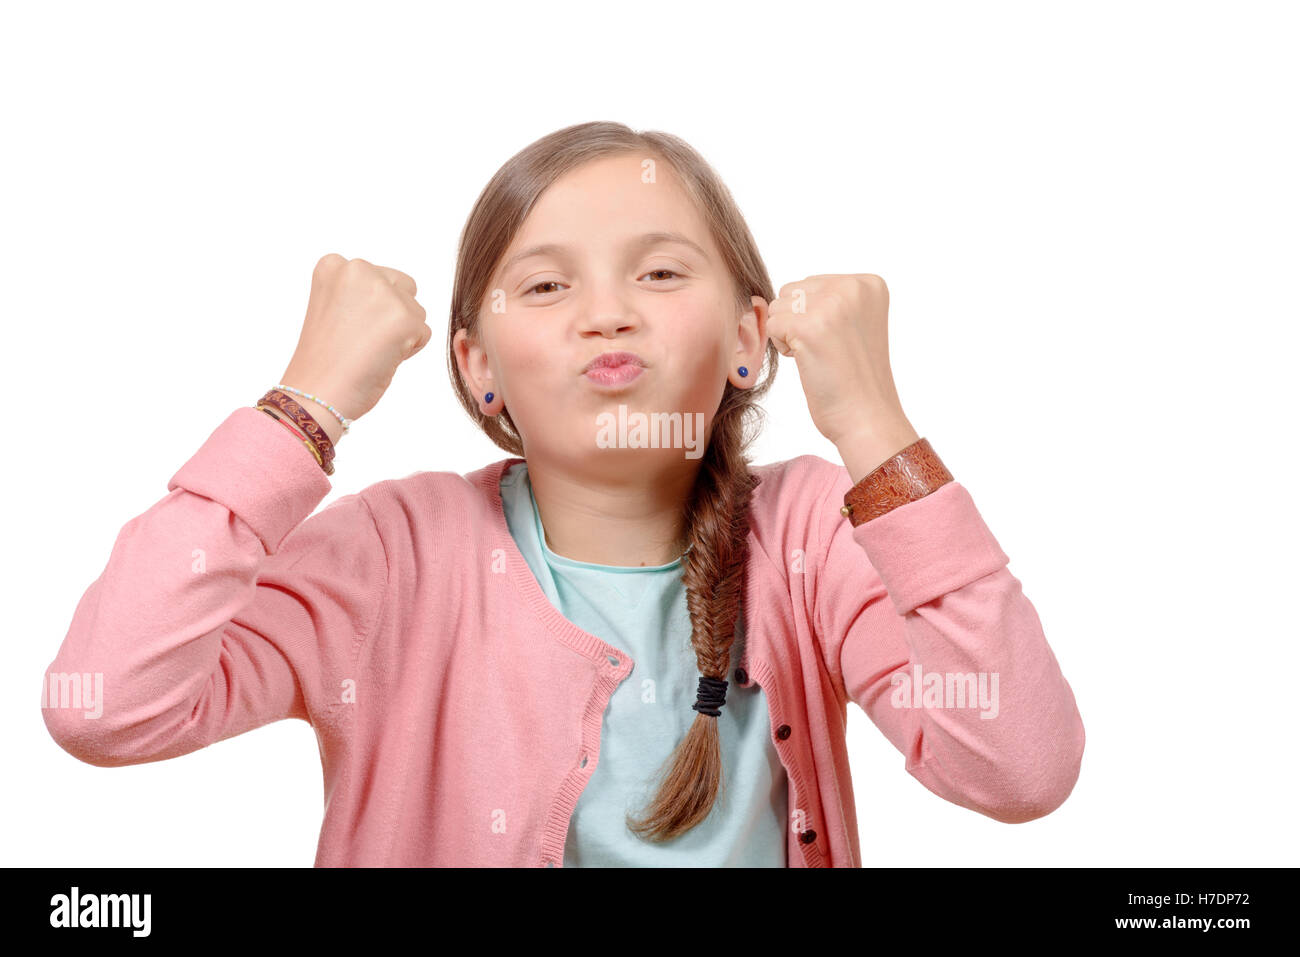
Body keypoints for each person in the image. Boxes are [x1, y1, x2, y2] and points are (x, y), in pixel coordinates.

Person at [41, 120, 1085, 867]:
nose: (606, 316)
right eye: (546, 285)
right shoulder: (397, 552)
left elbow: (1018, 769)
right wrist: (302, 407)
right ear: (476, 362)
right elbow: (111, 706)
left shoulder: (814, 533)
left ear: (746, 339)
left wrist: (874, 431)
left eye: (662, 275)